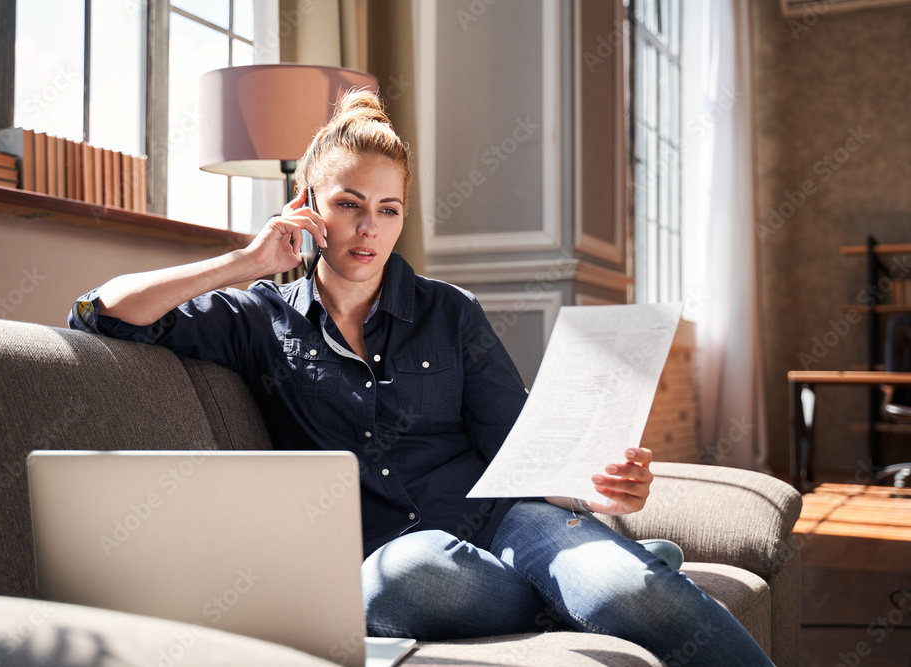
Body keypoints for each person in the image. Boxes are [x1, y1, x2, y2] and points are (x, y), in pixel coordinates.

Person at [68, 90, 774, 665]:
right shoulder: (259, 319)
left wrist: (601, 484)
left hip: (508, 523)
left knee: (631, 588)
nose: (367, 229)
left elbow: (517, 451)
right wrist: (243, 262)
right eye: (347, 203)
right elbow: (101, 314)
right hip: (405, 564)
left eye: (388, 209)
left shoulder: (450, 311)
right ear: (306, 202)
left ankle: (601, 570)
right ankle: (570, 586)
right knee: (405, 576)